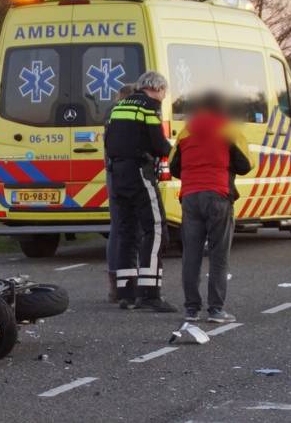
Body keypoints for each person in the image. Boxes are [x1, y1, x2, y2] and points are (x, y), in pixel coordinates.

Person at [169, 91, 252, 324]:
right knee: (218, 254)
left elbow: (174, 165)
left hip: (190, 197)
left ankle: (191, 309)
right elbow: (246, 164)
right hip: (218, 195)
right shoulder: (228, 129)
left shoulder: (186, 131)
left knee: (191, 254)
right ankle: (216, 310)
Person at [104, 71, 177, 312]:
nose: (163, 98)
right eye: (164, 94)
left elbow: (110, 140)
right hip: (138, 172)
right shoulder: (149, 106)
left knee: (127, 232)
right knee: (155, 229)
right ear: (158, 89)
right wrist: (174, 150)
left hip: (117, 174)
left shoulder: (120, 105)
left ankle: (127, 292)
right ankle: (150, 293)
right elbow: (158, 144)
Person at [105, 83, 136, 303]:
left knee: (117, 228)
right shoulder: (129, 117)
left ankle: (115, 284)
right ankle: (131, 284)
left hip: (113, 173)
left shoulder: (111, 116)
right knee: (131, 230)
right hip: (128, 175)